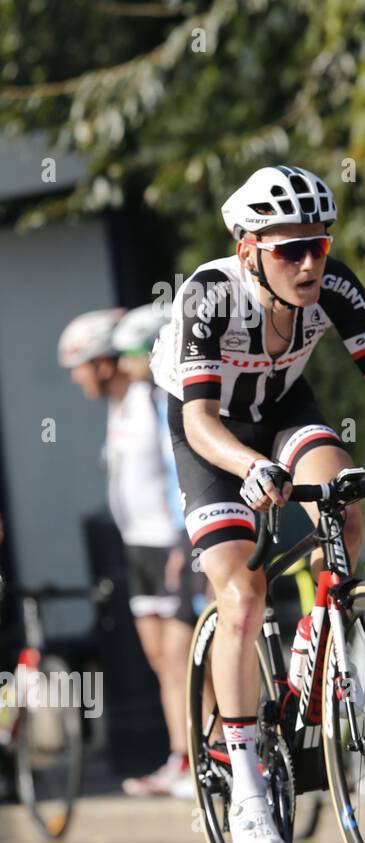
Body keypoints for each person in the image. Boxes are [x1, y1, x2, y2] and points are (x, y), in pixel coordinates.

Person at [150, 164, 365, 843]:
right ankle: (250, 783)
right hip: (210, 430)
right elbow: (200, 422)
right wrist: (249, 467)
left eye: (317, 246)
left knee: (344, 505)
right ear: (248, 250)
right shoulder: (211, 297)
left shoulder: (337, 286)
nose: (308, 263)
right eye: (289, 249)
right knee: (242, 592)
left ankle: (324, 646)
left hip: (283, 408)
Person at [57, 307, 200, 797]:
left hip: (169, 542)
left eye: (80, 367)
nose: (77, 380)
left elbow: (177, 464)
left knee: (185, 656)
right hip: (136, 546)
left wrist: (186, 539)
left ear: (103, 362)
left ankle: (211, 752)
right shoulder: (117, 407)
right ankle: (181, 756)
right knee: (161, 658)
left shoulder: (149, 397)